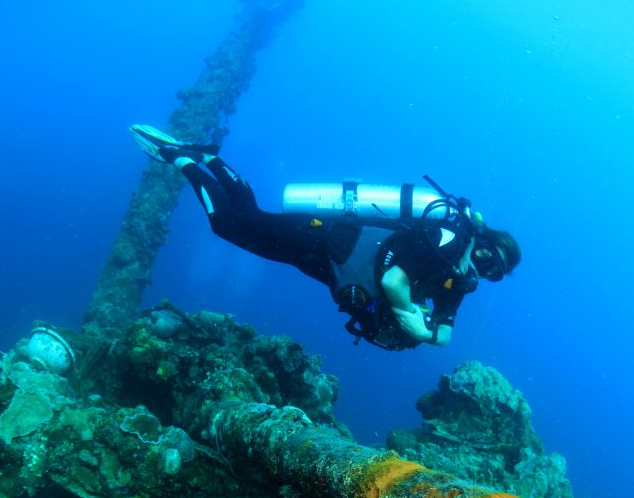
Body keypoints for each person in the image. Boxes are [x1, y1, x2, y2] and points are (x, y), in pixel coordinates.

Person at [130, 125, 521, 351]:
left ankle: (211, 159)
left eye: (495, 272)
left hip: (328, 264)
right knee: (229, 225)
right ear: (482, 240)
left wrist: (429, 330)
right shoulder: (449, 240)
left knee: (250, 220)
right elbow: (392, 281)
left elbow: (446, 333)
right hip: (325, 240)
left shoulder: (458, 278)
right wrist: (414, 320)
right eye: (488, 256)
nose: (484, 268)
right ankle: (181, 158)